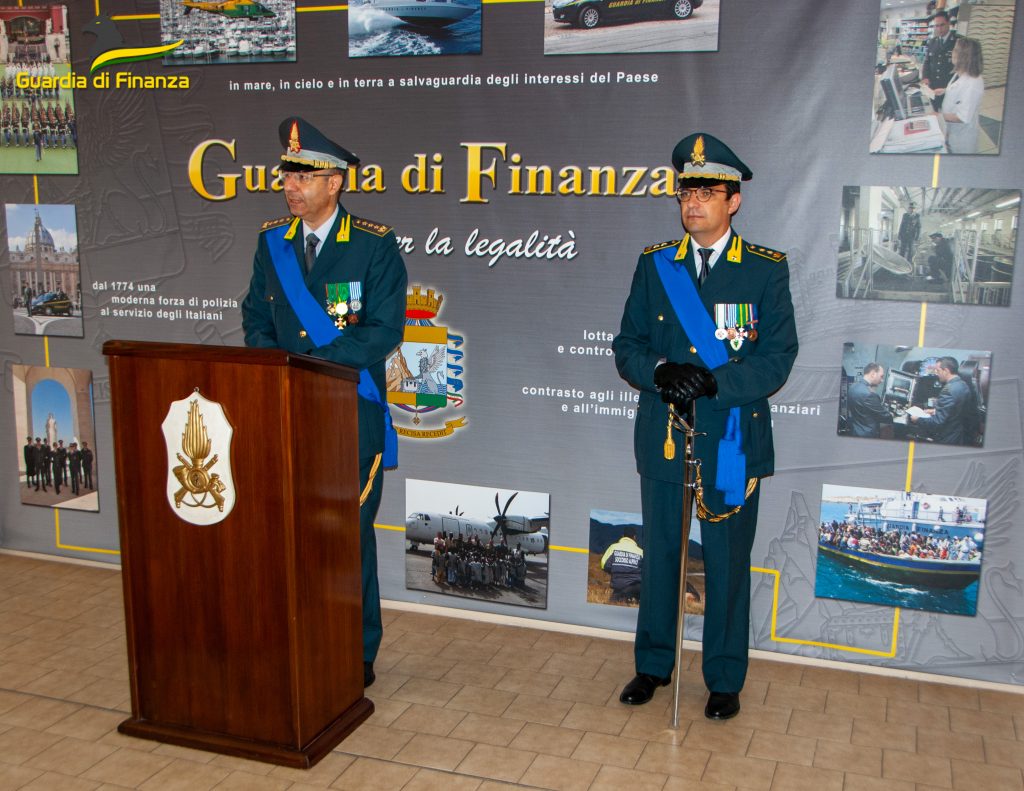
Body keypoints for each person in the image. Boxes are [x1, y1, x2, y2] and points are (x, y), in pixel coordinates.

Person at [613, 133, 797, 720]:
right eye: (686, 190)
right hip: (667, 430)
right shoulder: (655, 264)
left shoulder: (765, 270)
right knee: (662, 551)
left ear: (733, 201)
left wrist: (716, 382)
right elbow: (627, 346)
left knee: (725, 559)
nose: (693, 202)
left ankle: (723, 676)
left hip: (732, 436)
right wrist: (663, 371)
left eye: (707, 191)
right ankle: (653, 664)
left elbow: (777, 358)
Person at [242, 116, 407, 689]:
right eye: (287, 174)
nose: (290, 185)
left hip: (347, 417)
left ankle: (357, 649)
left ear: (335, 183)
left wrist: (312, 371)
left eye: (304, 176)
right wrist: (278, 371)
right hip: (287, 414)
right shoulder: (272, 244)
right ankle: (299, 635)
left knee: (346, 538)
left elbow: (383, 331)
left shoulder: (374, 247)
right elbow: (256, 319)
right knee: (292, 535)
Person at [909, 356, 971, 445]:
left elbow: (937, 422)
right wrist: (936, 411)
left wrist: (917, 419)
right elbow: (956, 410)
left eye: (938, 370)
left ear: (946, 371)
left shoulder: (948, 390)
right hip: (958, 435)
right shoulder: (963, 385)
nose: (936, 373)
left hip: (947, 438)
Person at [939, 37, 984, 154]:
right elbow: (959, 89)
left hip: (962, 139)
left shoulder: (973, 83)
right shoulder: (961, 72)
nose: (952, 53)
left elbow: (962, 117)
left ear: (964, 55)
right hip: (952, 131)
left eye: (955, 50)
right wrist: (945, 90)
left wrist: (938, 116)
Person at [921, 10, 958, 110]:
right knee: (935, 111)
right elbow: (927, 62)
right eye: (936, 26)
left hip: (949, 87)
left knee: (948, 114)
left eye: (942, 25)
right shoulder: (932, 42)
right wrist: (925, 77)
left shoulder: (957, 42)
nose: (939, 29)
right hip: (933, 87)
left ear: (949, 24)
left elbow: (961, 67)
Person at [846, 362, 891, 438]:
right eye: (881, 376)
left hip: (855, 431)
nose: (882, 380)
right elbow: (886, 417)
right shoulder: (870, 394)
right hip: (867, 435)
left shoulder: (853, 386)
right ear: (873, 374)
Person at [601, 526, 643, 603]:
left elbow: (604, 565)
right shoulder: (640, 552)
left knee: (614, 603)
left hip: (618, 586)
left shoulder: (613, 547)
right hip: (636, 588)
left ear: (623, 536)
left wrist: (616, 570)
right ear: (634, 537)